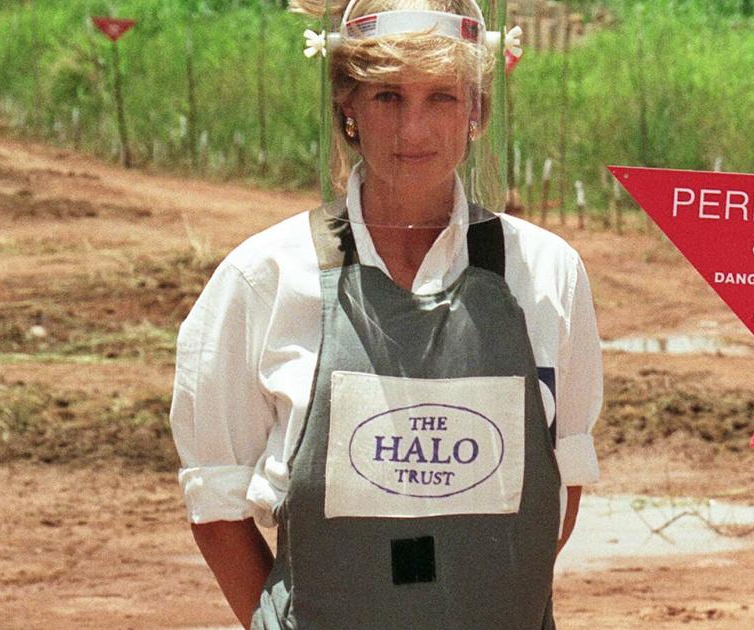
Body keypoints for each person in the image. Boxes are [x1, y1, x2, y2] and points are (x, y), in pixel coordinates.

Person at [168, 0, 603, 627]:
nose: (414, 132)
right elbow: (216, 505)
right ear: (347, 106)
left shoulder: (547, 273)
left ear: (477, 111)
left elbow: (561, 488)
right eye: (387, 98)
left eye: (442, 99)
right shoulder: (262, 279)